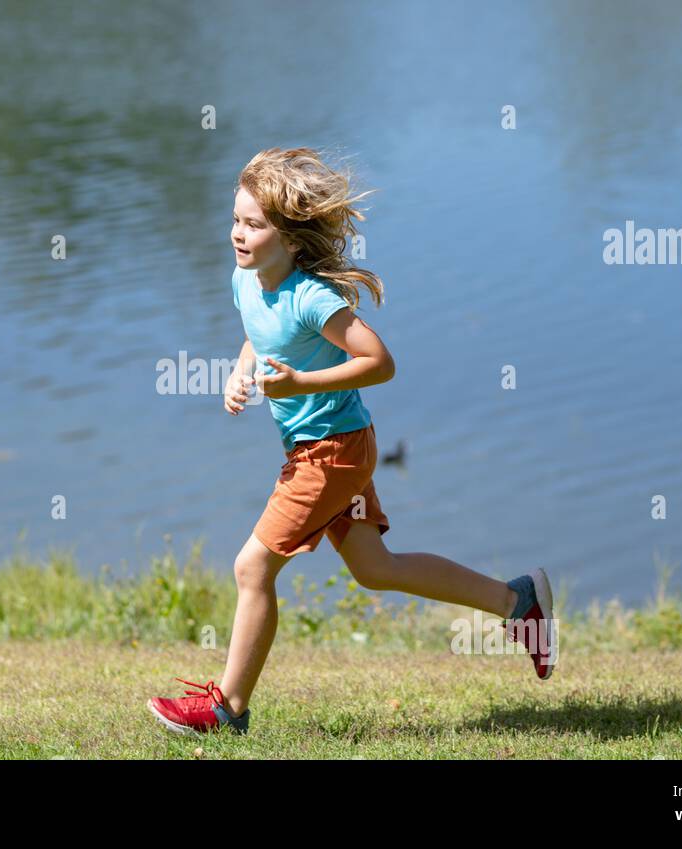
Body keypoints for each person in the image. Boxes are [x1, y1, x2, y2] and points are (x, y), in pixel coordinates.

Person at [147, 147, 555, 736]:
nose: (238, 234)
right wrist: (242, 374)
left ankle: (225, 708)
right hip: (326, 446)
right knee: (373, 566)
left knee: (252, 567)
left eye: (254, 225)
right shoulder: (245, 280)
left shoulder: (313, 298)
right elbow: (257, 336)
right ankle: (519, 603)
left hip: (332, 451)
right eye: (235, 219)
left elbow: (380, 362)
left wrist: (301, 381)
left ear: (290, 240)